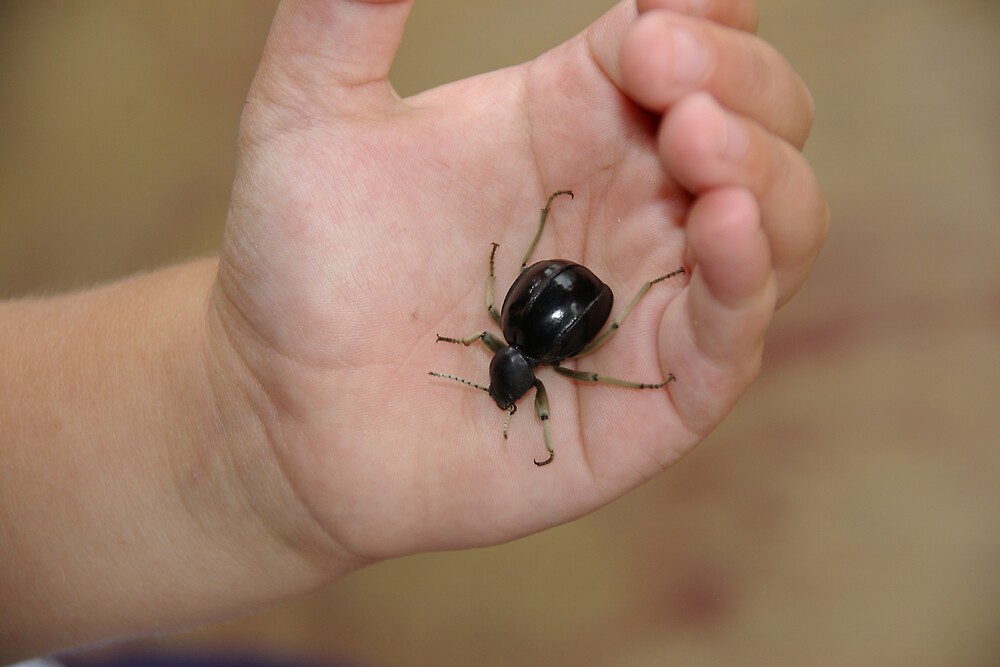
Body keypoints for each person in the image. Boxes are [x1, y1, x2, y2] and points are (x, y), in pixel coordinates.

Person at [0, 0, 827, 661]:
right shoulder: (504, 335)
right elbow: (543, 314)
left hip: (565, 292)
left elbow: (535, 311)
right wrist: (257, 422)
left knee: (587, 329)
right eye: (505, 385)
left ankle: (645, 280)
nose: (504, 384)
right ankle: (644, 283)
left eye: (501, 380)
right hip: (564, 294)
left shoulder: (500, 339)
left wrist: (244, 404)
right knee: (588, 338)